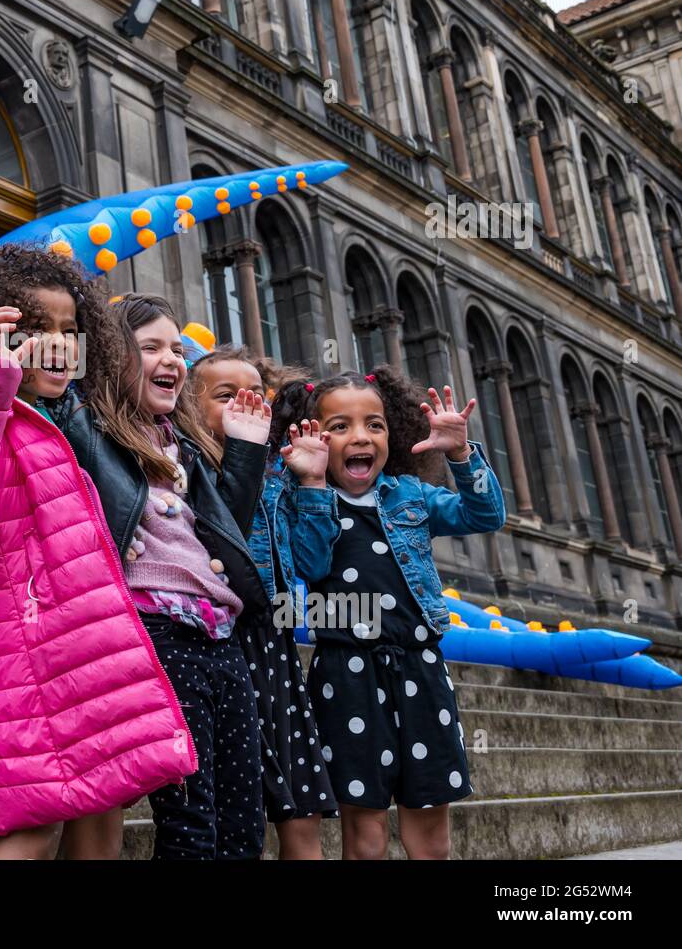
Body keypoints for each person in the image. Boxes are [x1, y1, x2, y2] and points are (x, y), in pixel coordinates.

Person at [0, 246, 197, 859]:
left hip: (89, 651)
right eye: (36, 331)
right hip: (21, 661)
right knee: (33, 820)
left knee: (105, 806)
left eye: (69, 331)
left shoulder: (57, 422)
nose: (58, 344)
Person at [40, 293, 273, 859]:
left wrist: (244, 450)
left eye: (177, 349)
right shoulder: (87, 425)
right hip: (157, 634)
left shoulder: (185, 446)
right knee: (191, 823)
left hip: (221, 636)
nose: (171, 359)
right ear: (112, 357)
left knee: (242, 823)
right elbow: (46, 402)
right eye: (150, 347)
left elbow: (227, 531)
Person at [270, 367, 506, 859]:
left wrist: (461, 454)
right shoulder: (301, 502)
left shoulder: (410, 495)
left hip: (421, 668)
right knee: (367, 834)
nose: (360, 436)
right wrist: (312, 484)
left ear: (391, 433)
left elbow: (485, 515)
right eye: (340, 426)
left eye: (374, 424)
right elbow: (309, 565)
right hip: (346, 674)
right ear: (313, 436)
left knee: (431, 832)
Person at [185, 345, 339, 859]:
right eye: (226, 395)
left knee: (303, 805)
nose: (244, 404)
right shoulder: (189, 468)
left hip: (276, 647)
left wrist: (313, 483)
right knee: (237, 801)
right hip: (220, 640)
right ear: (190, 405)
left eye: (255, 395)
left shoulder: (279, 476)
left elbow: (314, 564)